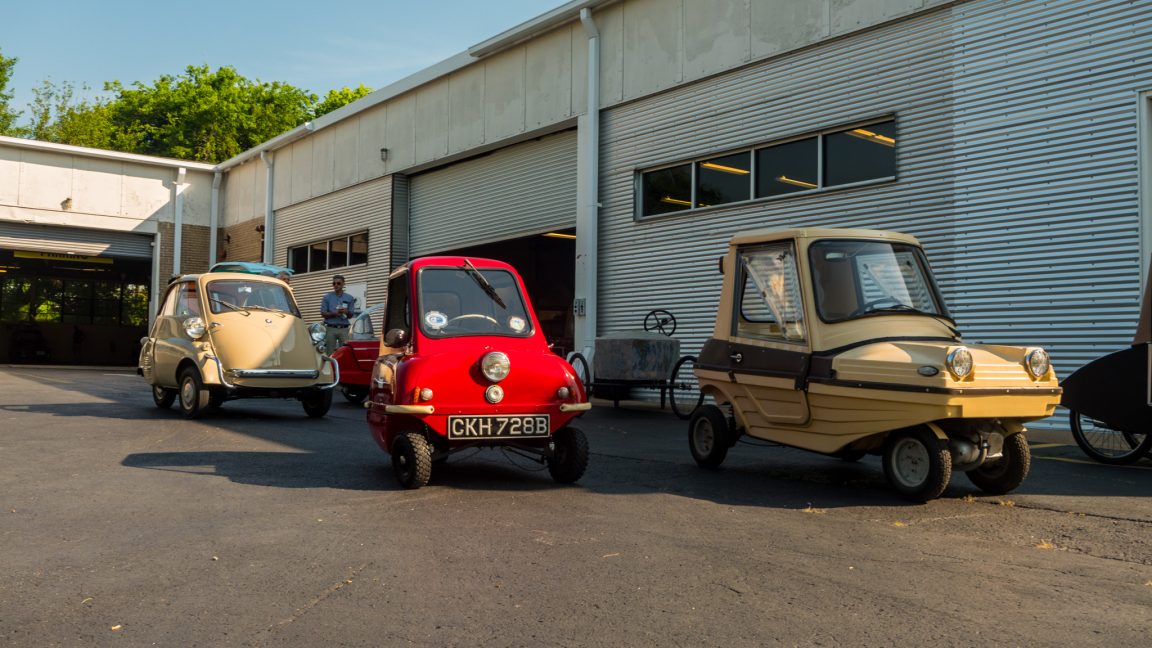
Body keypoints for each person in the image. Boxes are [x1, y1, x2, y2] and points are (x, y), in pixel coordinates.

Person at [320, 275, 356, 352]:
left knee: (344, 353)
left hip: (344, 329)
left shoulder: (349, 298)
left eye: (338, 283)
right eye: (334, 283)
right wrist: (334, 313)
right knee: (329, 353)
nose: (336, 285)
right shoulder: (327, 297)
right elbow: (323, 313)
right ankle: (330, 364)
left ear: (343, 284)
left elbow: (351, 315)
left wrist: (346, 312)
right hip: (330, 328)